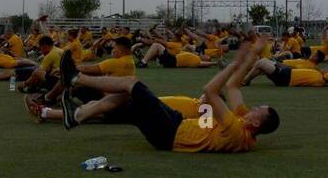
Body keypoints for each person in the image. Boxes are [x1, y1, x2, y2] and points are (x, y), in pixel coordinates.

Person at [56, 52, 279, 153]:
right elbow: (233, 87)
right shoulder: (246, 129)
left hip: (170, 132)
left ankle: (76, 78)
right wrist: (249, 59)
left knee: (132, 83)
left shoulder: (236, 130)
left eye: (258, 110)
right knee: (126, 97)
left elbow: (210, 91)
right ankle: (77, 116)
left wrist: (232, 65)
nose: (254, 108)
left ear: (257, 123)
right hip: (175, 124)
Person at [245, 57, 328, 87]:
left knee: (261, 62)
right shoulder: (320, 75)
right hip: (286, 73)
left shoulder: (323, 78)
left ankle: (245, 81)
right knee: (259, 67)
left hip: (286, 76)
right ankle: (246, 80)